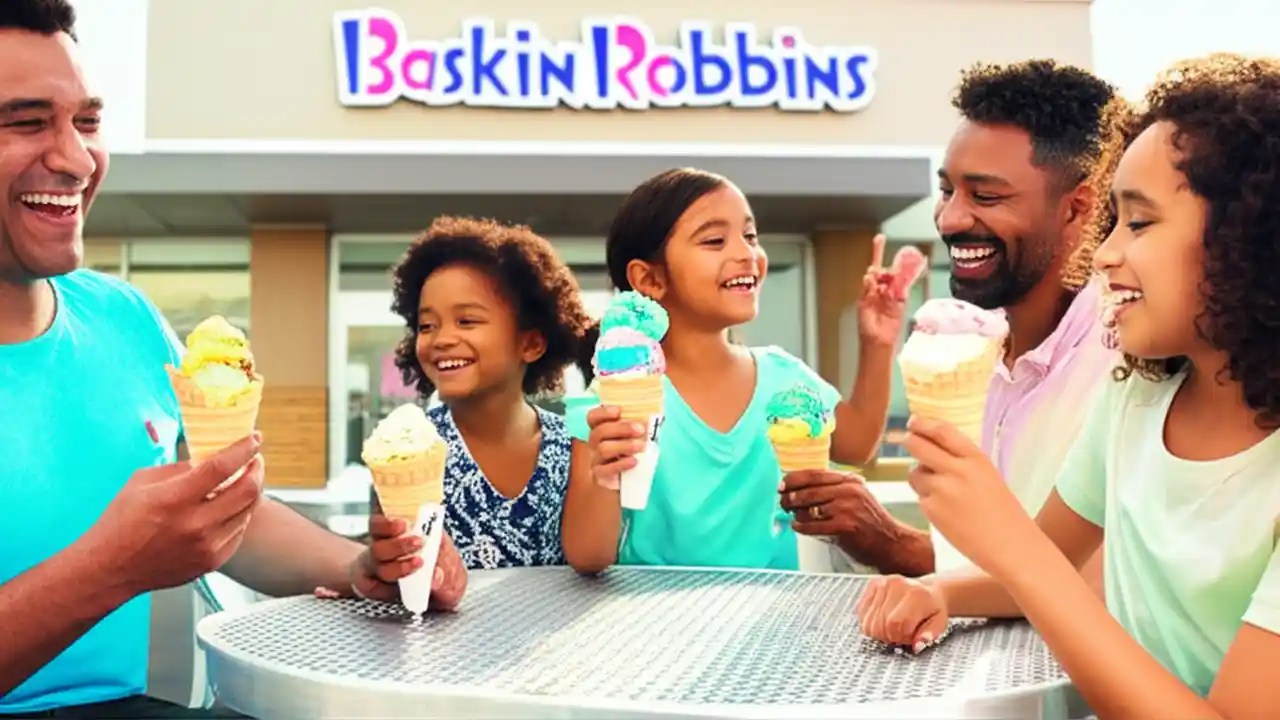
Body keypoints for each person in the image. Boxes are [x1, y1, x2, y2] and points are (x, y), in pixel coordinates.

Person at [0, 3, 465, 717]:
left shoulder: (125, 319)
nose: (75, 158)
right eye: (26, 121)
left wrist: (355, 567)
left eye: (87, 122)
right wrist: (113, 566)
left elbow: (223, 516)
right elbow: (136, 551)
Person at [859, 54, 1280, 718]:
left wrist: (1014, 549)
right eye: (1111, 222)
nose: (1105, 253)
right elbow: (1045, 557)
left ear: (1253, 240)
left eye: (1138, 223)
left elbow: (1035, 565)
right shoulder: (1135, 399)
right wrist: (944, 591)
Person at [791, 59, 1132, 577]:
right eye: (947, 189)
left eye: (986, 196)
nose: (949, 219)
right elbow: (1003, 560)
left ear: (1076, 208)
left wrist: (896, 546)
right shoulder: (981, 356)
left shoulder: (1126, 365)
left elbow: (1071, 583)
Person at [561, 167, 918, 572]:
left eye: (750, 236)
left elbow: (857, 445)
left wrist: (878, 342)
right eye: (715, 240)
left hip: (785, 619)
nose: (746, 253)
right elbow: (588, 557)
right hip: (662, 625)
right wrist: (605, 476)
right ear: (649, 278)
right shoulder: (608, 406)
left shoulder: (786, 377)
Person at [381, 216, 595, 569]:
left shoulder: (575, 448)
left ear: (532, 343)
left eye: (467, 320)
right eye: (426, 325)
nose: (442, 338)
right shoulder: (408, 451)